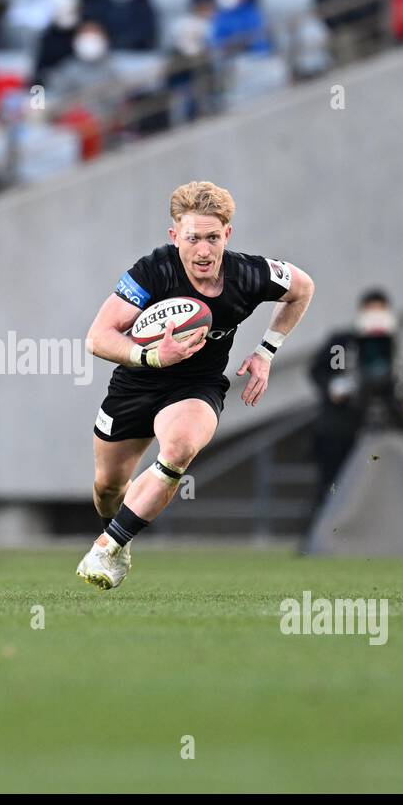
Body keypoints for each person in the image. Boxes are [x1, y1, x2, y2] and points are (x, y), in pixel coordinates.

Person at [77, 180, 314, 589]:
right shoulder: (153, 270)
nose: (203, 251)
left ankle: (107, 546)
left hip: (197, 385)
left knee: (179, 449)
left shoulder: (249, 273)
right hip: (137, 381)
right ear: (175, 236)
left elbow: (302, 288)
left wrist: (265, 352)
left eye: (212, 238)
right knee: (107, 487)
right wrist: (153, 356)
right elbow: (97, 338)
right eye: (192, 239)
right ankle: (119, 536)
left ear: (227, 234)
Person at [307, 288, 403, 514]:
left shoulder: (392, 346)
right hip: (339, 430)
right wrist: (332, 388)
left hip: (379, 430)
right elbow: (317, 371)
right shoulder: (342, 342)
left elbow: (401, 382)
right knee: (333, 485)